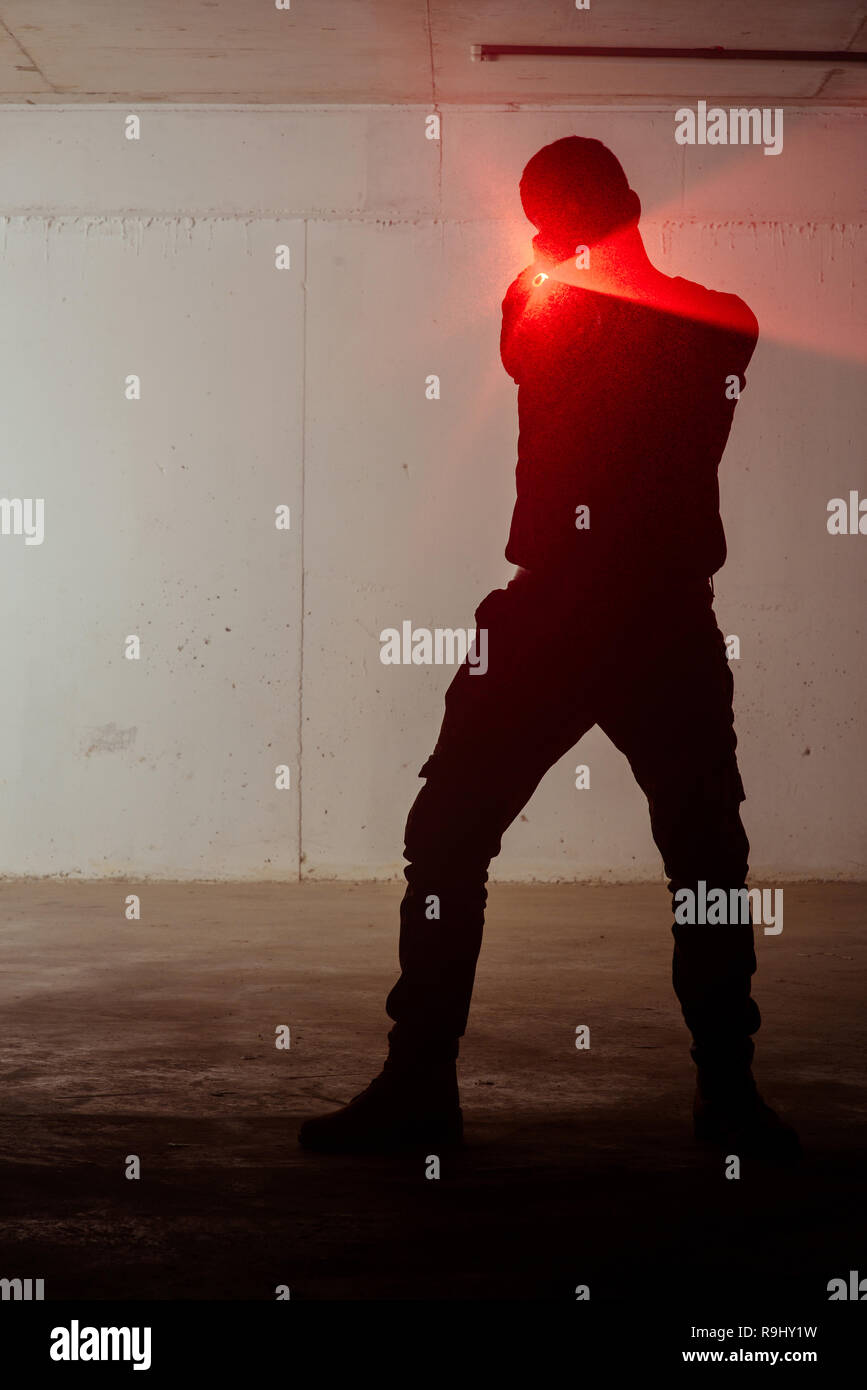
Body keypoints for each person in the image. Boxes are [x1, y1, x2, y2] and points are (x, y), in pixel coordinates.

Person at [299, 137, 799, 1162]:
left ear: (551, 225)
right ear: (631, 201)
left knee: (450, 839)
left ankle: (419, 1084)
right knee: (704, 859)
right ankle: (730, 1098)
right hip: (656, 619)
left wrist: (557, 254)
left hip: (563, 612)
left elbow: (544, 320)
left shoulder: (540, 308)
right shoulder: (723, 321)